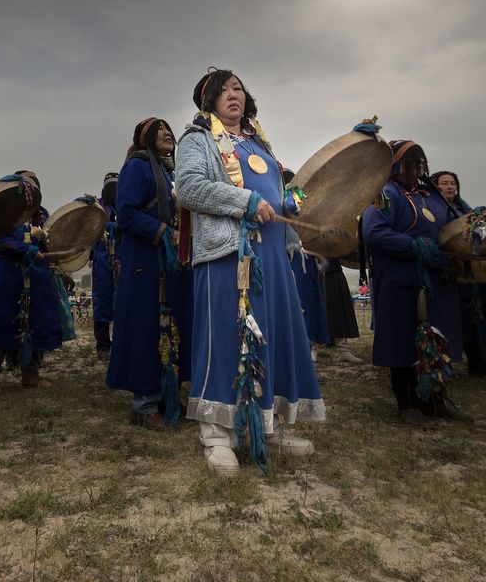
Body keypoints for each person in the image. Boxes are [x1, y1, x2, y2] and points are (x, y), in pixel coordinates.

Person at [176, 69, 325, 476]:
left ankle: (267, 426)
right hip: (229, 255)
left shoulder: (259, 141)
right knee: (226, 338)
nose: (232, 95)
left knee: (270, 338)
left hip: (272, 256)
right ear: (208, 101)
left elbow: (272, 194)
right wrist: (245, 200)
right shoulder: (198, 139)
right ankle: (217, 436)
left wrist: (287, 200)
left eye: (238, 88)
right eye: (223, 90)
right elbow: (187, 187)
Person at [362, 141, 469, 427]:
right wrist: (415, 246)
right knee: (404, 340)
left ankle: (436, 399)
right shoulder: (385, 194)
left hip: (437, 281)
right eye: (412, 162)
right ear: (396, 165)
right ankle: (408, 404)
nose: (419, 168)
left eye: (421, 162)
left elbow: (452, 229)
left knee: (439, 339)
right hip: (402, 282)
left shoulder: (430, 195)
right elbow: (374, 232)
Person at [105, 118, 193, 431]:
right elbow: (126, 214)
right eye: (160, 130)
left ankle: (167, 395)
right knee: (146, 330)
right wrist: (161, 231)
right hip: (145, 262)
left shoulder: (171, 172)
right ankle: (143, 405)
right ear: (145, 138)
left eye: (169, 130)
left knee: (173, 328)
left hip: (171, 263)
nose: (167, 134)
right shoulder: (137, 166)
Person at [0, 172, 62, 393]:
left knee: (37, 322)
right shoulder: (4, 214)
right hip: (9, 277)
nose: (31, 186)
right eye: (27, 182)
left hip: (37, 278)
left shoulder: (42, 215)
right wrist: (25, 249)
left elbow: (53, 242)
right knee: (1, 321)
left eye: (35, 182)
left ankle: (31, 373)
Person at [431, 170, 486, 375]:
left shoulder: (464, 209)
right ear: (435, 187)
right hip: (444, 272)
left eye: (452, 183)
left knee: (471, 318)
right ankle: (444, 363)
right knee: (449, 318)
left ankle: (476, 361)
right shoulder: (432, 209)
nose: (450, 186)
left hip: (467, 275)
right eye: (444, 183)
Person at [283, 169, 332, 361]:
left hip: (303, 258)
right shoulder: (274, 197)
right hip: (286, 258)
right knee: (294, 305)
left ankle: (309, 346)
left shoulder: (296, 198)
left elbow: (308, 227)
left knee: (308, 303)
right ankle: (295, 350)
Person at [90, 172, 119, 357]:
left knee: (121, 302)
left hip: (122, 260)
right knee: (101, 303)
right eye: (109, 187)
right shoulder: (97, 206)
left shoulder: (127, 204)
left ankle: (121, 342)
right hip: (101, 261)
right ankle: (102, 345)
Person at [323, 258, 362, 363]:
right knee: (311, 311)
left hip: (332, 268)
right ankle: (311, 351)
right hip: (311, 270)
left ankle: (343, 351)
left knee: (338, 310)